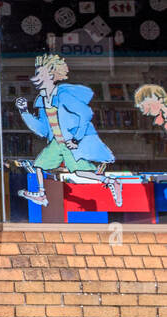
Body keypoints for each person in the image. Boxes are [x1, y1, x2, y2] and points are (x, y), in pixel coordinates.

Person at [15, 53, 117, 208]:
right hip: (56, 142)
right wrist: (24, 112)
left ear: (50, 74)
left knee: (80, 172)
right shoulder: (42, 100)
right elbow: (42, 129)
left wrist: (76, 138)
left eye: (39, 73)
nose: (36, 77)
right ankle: (42, 194)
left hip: (68, 141)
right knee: (39, 165)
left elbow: (86, 114)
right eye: (36, 73)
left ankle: (111, 181)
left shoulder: (63, 95)